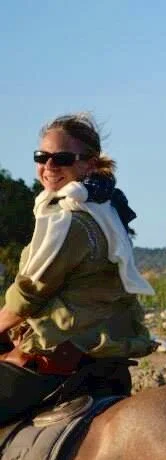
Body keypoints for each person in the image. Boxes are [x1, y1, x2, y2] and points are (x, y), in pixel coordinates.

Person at [0, 113, 156, 424]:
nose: (49, 167)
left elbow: (27, 297)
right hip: (105, 347)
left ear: (89, 164)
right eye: (41, 157)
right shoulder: (106, 211)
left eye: (62, 158)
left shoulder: (67, 221)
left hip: (61, 347)